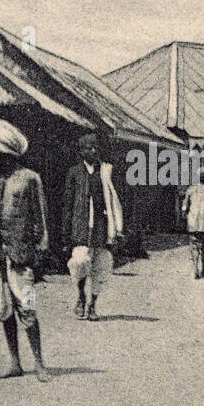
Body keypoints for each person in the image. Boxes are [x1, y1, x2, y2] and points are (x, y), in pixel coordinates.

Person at [0, 119, 50, 382]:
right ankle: (14, 362)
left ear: (5, 154)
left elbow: (40, 217)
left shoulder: (30, 179)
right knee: (3, 309)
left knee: (28, 308)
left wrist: (41, 249)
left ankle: (40, 363)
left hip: (21, 256)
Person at [63, 133, 125, 320]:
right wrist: (66, 233)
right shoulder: (74, 173)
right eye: (88, 148)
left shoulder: (106, 172)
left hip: (102, 227)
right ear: (81, 151)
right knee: (80, 262)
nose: (93, 151)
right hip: (81, 227)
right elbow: (68, 203)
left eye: (95, 147)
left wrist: (118, 229)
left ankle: (92, 305)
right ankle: (81, 296)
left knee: (102, 267)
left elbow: (116, 199)